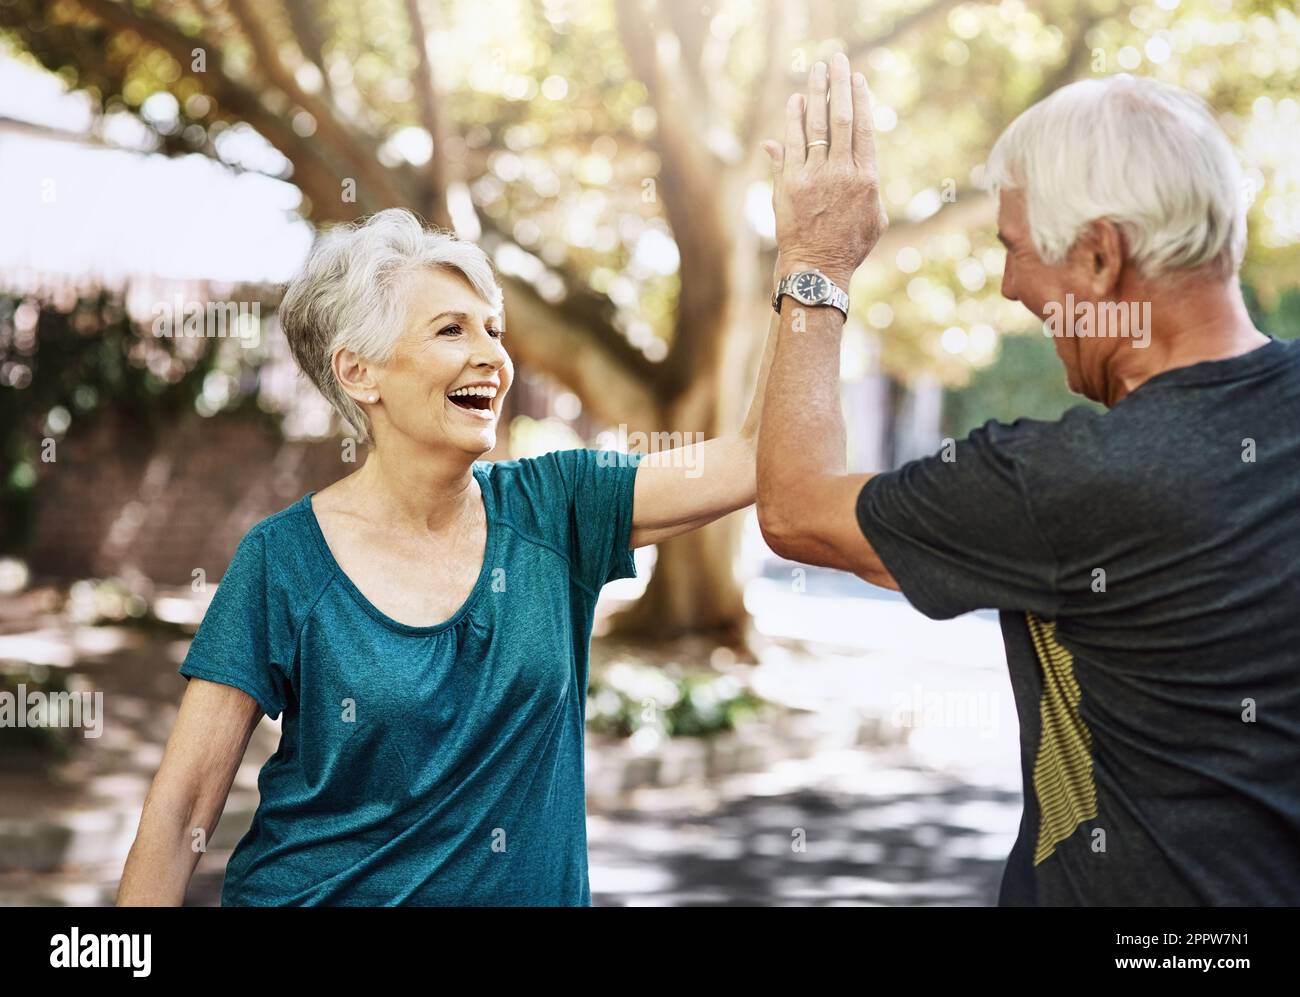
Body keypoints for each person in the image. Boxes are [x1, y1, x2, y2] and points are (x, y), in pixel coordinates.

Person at [756, 53, 1300, 904]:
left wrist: (814, 261)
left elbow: (794, 509)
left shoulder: (1066, 484)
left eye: (1015, 250)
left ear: (1097, 258)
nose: (1010, 285)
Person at [117, 207, 778, 906]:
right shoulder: (283, 561)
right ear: (359, 372)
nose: (493, 356)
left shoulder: (557, 508)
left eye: (494, 329)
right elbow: (185, 806)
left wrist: (811, 267)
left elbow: (758, 458)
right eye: (452, 329)